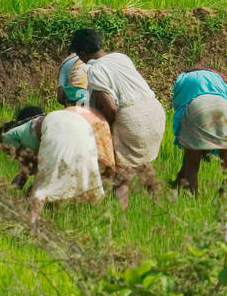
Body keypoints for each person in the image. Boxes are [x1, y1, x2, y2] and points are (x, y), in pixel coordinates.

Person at [71, 28, 167, 207]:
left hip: (132, 117)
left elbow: (110, 107)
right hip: (155, 111)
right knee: (143, 161)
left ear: (82, 53)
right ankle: (160, 202)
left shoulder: (94, 69)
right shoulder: (121, 57)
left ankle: (121, 214)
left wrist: (108, 129)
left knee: (121, 172)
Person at [0, 109, 105, 225]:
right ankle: (64, 216)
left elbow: (27, 170)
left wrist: (10, 195)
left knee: (41, 187)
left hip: (60, 130)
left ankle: (32, 224)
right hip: (84, 130)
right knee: (71, 179)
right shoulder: (29, 127)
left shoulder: (8, 137)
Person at [171, 69, 227, 195]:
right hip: (224, 108)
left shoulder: (184, 78)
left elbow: (179, 103)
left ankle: (190, 196)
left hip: (198, 108)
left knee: (191, 163)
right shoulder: (217, 77)